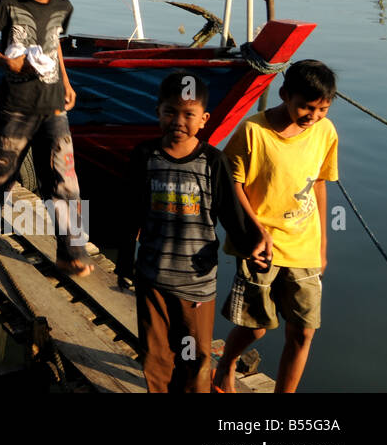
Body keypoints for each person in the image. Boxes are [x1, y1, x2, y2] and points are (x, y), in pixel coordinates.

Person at [116, 72, 259, 392]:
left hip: (196, 283)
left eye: (188, 114)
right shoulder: (144, 156)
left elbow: (231, 215)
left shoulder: (213, 162)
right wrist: (124, 260)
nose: (178, 120)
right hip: (151, 276)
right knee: (156, 356)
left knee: (194, 356)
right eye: (170, 111)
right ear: (158, 112)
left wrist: (253, 246)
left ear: (204, 119)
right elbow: (130, 213)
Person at [212, 59, 338, 393]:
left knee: (303, 331)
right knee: (255, 327)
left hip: (304, 245)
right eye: (306, 107)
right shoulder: (254, 131)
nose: (313, 116)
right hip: (260, 245)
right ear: (284, 95)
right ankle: (225, 365)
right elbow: (232, 183)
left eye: (322, 108)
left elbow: (321, 184)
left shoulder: (325, 132)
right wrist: (256, 231)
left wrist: (323, 245)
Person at [0, 0, 92, 276]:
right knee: (0, 173)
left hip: (53, 107)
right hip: (16, 107)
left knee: (65, 179)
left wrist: (66, 83)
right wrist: (6, 62)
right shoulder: (8, 4)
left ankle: (70, 253)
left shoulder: (63, 6)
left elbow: (55, 49)